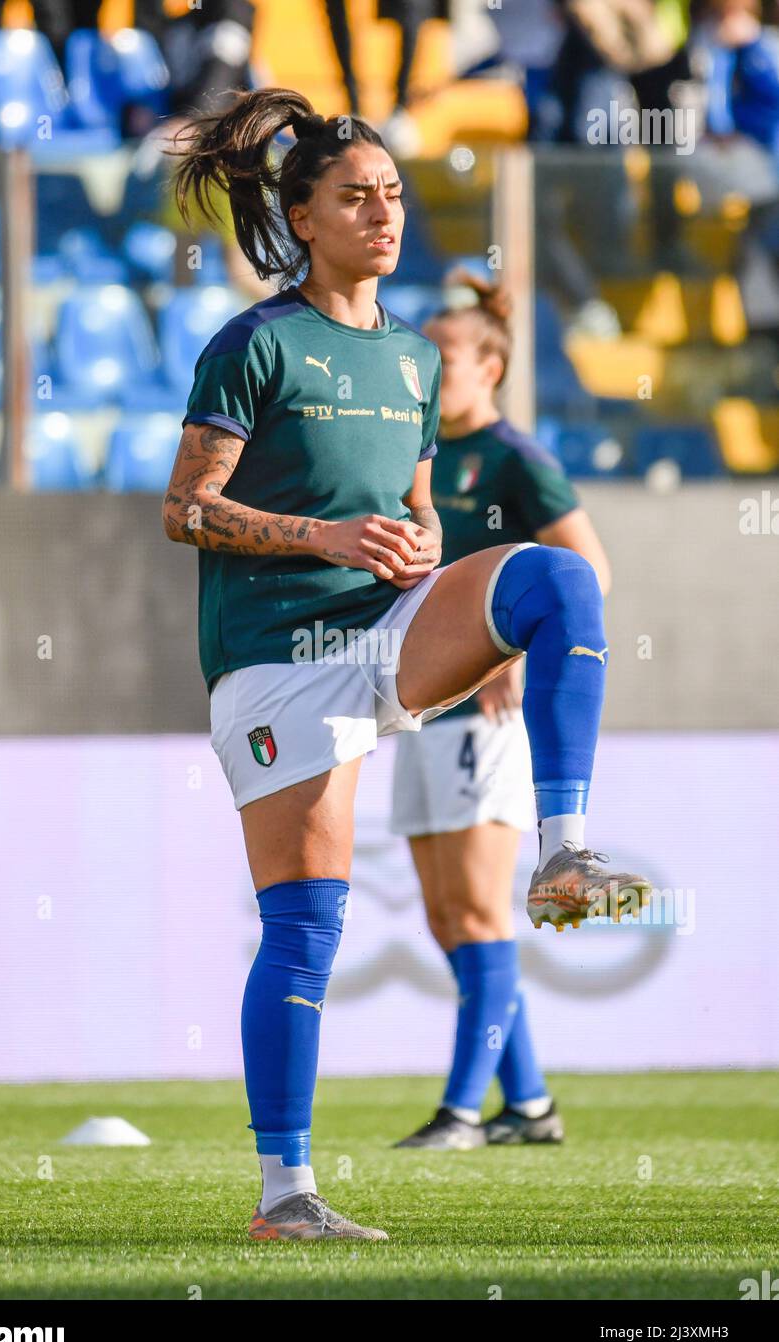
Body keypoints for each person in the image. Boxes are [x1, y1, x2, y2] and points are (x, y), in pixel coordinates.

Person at [161, 86, 651, 1241]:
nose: (383, 213)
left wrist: (425, 540)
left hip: (382, 634)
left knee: (555, 579)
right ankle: (285, 1194)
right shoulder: (255, 342)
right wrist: (325, 536)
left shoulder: (416, 362)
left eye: (390, 193)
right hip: (276, 656)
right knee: (306, 923)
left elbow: (418, 512)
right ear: (302, 217)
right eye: (354, 197)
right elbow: (187, 508)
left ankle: (563, 851)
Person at [390, 269, 611, 1151]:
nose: (430, 374)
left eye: (444, 358)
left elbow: (585, 575)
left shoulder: (517, 459)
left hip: (486, 720)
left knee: (480, 915)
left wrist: (513, 649)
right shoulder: (415, 456)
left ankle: (459, 1115)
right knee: (448, 921)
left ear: (490, 368)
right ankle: (528, 1104)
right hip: (420, 712)